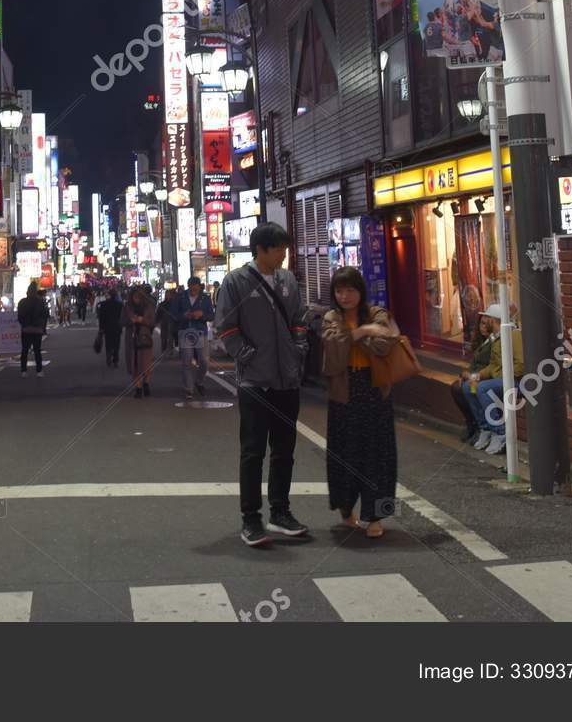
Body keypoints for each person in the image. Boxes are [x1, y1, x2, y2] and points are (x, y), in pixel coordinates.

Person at [215, 221, 310, 547]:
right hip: (255, 382)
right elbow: (225, 326)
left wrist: (299, 349)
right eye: (279, 248)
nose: (284, 254)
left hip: (287, 380)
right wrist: (246, 354)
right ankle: (251, 519)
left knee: (285, 450)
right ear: (262, 249)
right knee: (253, 452)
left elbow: (298, 319)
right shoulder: (236, 282)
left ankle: (280, 512)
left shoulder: (288, 280)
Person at [319, 267, 401, 537]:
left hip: (374, 390)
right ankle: (346, 510)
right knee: (344, 453)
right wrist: (365, 331)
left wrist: (351, 337)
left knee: (378, 455)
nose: (345, 296)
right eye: (339, 290)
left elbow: (387, 341)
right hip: (344, 392)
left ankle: (375, 517)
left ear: (360, 291)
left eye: (350, 290)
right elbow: (332, 347)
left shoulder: (379, 313)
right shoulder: (332, 316)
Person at [464, 304, 521, 455]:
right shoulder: (496, 338)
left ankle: (500, 431)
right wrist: (476, 376)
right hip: (501, 379)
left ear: (494, 320)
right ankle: (485, 427)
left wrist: (500, 376)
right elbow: (492, 366)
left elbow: (521, 364)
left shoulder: (513, 335)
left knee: (482, 388)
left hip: (516, 381)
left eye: (488, 319)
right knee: (469, 387)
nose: (485, 321)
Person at [450, 315, 495, 443]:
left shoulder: (494, 342)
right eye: (482, 323)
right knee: (456, 388)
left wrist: (472, 377)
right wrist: (464, 375)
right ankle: (472, 422)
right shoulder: (482, 341)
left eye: (487, 324)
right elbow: (474, 364)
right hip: (475, 376)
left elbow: (490, 367)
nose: (483, 327)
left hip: (485, 378)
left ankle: (478, 425)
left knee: (467, 389)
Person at [170, 276, 216, 399]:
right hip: (185, 331)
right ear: (188, 286)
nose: (194, 291)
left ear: (199, 287)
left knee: (204, 361)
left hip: (200, 331)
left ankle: (199, 381)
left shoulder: (205, 298)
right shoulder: (180, 297)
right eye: (192, 289)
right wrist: (184, 315)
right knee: (186, 361)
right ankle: (188, 389)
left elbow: (211, 315)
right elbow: (173, 314)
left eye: (196, 289)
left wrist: (202, 315)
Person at [124, 283, 158, 396]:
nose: (136, 299)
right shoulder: (127, 306)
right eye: (134, 297)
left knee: (146, 363)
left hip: (145, 337)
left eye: (139, 296)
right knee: (135, 365)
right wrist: (131, 321)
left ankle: (146, 383)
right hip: (132, 338)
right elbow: (121, 321)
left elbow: (153, 322)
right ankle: (138, 388)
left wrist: (142, 320)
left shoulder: (149, 306)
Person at [16, 282, 48, 376]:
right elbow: (45, 315)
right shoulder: (40, 302)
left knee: (25, 350)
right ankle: (39, 371)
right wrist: (41, 326)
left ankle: (23, 371)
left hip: (25, 329)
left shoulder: (22, 302)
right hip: (37, 329)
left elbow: (20, 316)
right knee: (37, 350)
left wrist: (24, 324)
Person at [96, 287, 124, 367]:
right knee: (116, 344)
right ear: (116, 295)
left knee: (108, 342)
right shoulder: (120, 305)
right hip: (117, 327)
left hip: (107, 327)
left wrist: (101, 328)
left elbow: (101, 317)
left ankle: (108, 356)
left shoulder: (103, 304)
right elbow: (122, 317)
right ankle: (115, 360)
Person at [155, 283, 180, 355]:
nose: (170, 296)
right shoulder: (162, 304)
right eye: (168, 294)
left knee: (172, 337)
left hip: (173, 324)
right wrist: (156, 321)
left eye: (171, 295)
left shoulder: (175, 303)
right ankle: (165, 351)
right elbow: (158, 314)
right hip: (165, 323)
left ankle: (170, 351)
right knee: (164, 338)